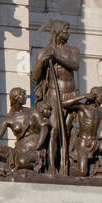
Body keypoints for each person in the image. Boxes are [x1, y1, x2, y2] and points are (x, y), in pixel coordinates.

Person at [32, 22, 81, 174]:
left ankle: (65, 165)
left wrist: (57, 57)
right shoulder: (44, 52)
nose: (68, 32)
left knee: (68, 131)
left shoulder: (73, 50)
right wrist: (42, 62)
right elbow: (36, 76)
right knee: (54, 130)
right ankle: (52, 165)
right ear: (58, 31)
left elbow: (75, 65)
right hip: (54, 94)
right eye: (66, 30)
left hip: (70, 93)